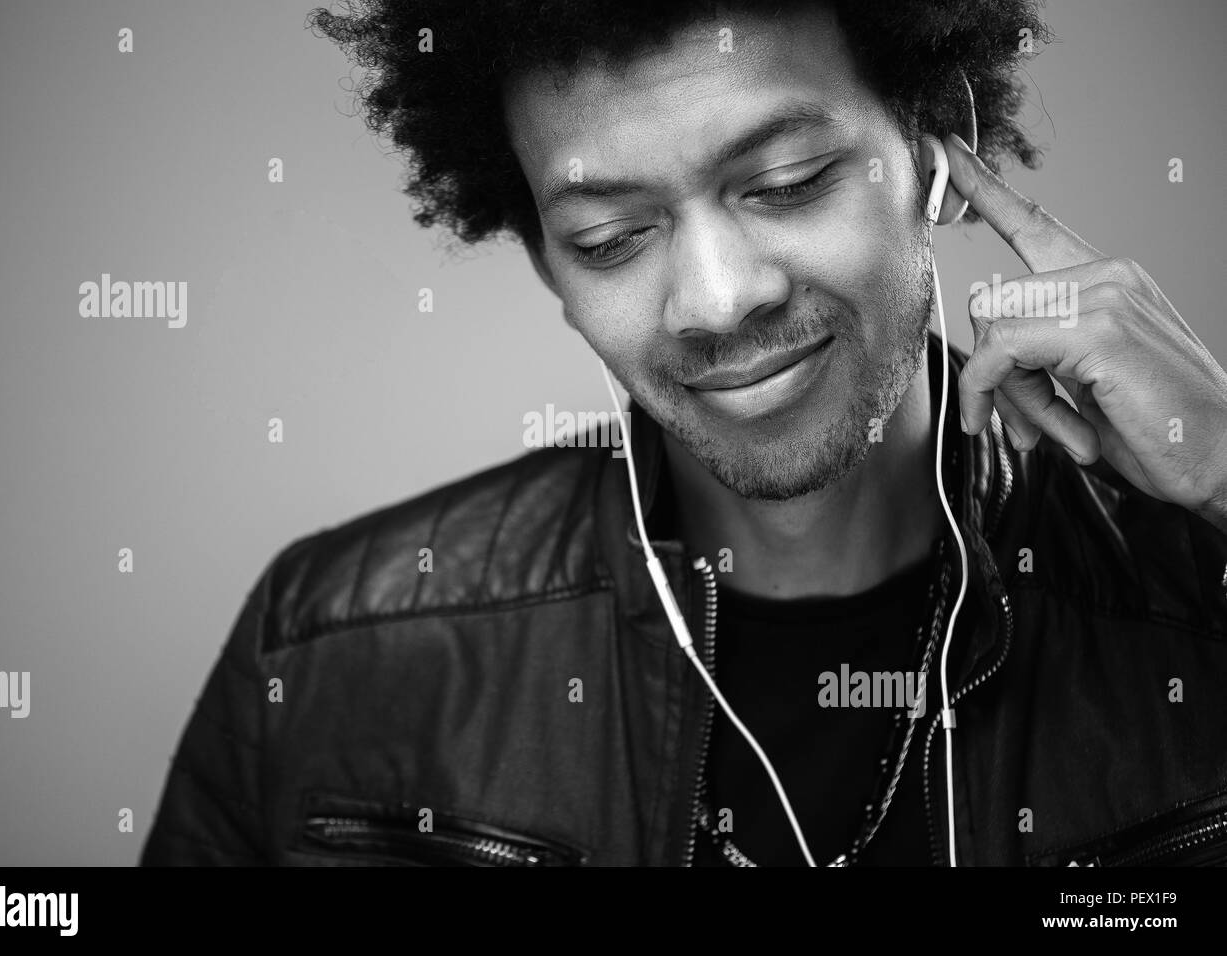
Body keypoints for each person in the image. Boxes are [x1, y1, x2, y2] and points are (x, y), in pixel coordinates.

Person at [141, 0, 1227, 866]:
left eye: (785, 182)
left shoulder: (1195, 592)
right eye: (611, 239)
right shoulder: (334, 641)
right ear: (546, 268)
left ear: (936, 152)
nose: (715, 300)